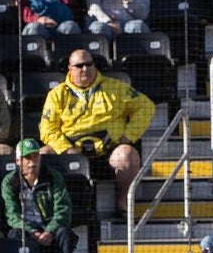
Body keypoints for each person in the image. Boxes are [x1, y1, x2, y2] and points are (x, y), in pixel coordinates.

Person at [40, 49, 154, 217]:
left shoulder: (115, 87)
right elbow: (47, 128)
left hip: (108, 154)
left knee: (127, 154)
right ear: (70, 69)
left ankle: (123, 201)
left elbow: (146, 107)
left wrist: (128, 136)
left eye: (89, 64)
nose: (85, 69)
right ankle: (47, 208)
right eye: (79, 66)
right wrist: (65, 150)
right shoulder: (57, 95)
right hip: (72, 154)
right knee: (41, 155)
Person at [1, 138, 75, 253]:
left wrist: (49, 231)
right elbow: (12, 215)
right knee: (14, 233)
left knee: (64, 232)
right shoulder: (9, 182)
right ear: (18, 161)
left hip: (49, 227)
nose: (32, 162)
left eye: (36, 156)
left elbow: (63, 209)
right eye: (28, 158)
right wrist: (33, 233)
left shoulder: (53, 176)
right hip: (27, 230)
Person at [85, 0, 149, 40]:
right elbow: (93, 8)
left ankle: (133, 58)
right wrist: (109, 21)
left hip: (129, 22)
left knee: (138, 26)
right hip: (103, 21)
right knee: (98, 28)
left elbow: (143, 15)